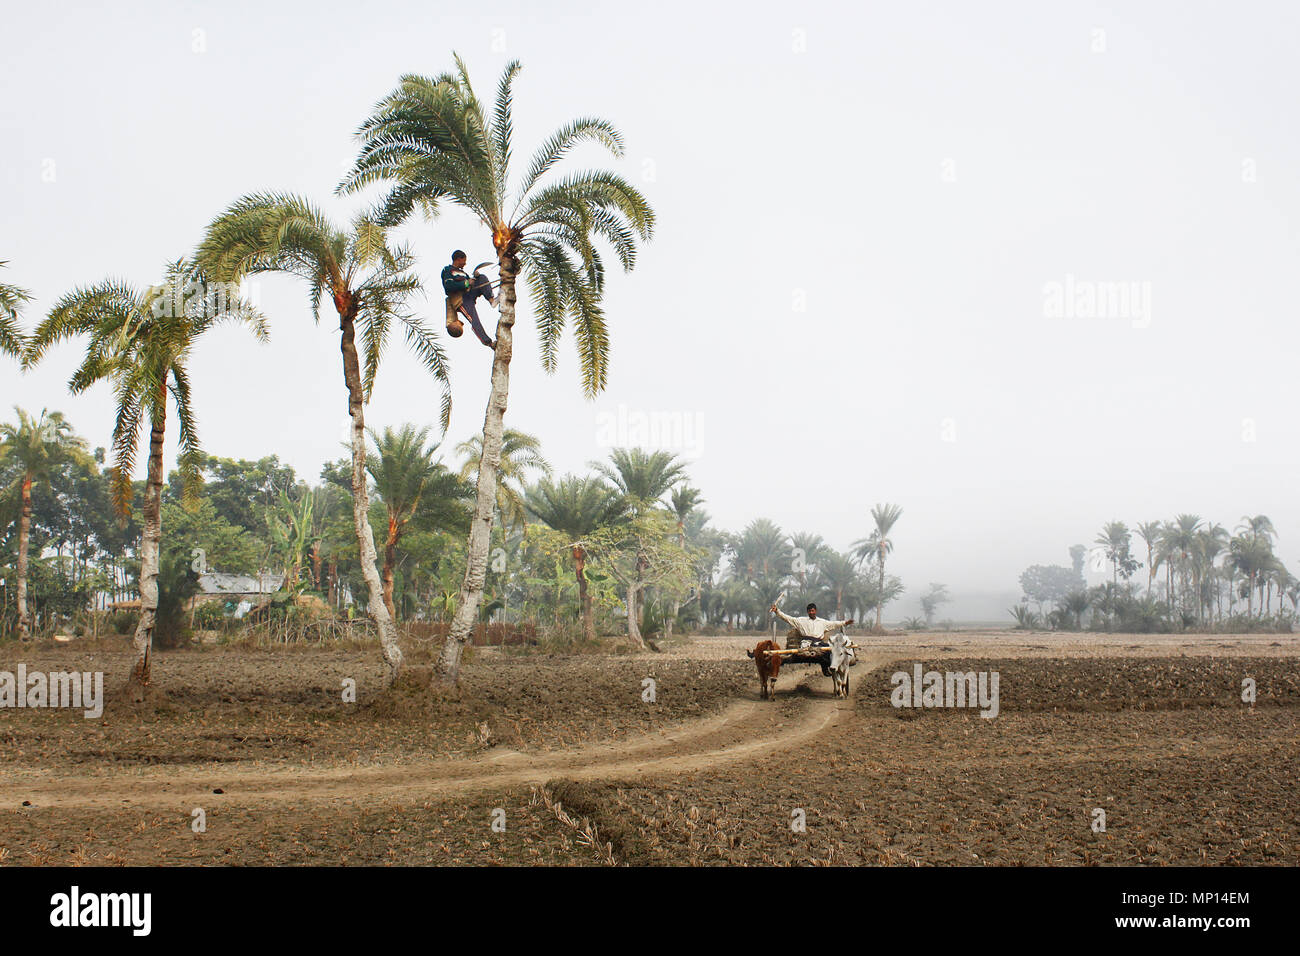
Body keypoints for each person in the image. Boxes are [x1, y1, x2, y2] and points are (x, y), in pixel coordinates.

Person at [441, 252, 496, 348]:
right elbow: (448, 286)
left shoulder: (463, 273)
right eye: (464, 261)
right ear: (458, 259)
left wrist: (475, 277)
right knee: (474, 320)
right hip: (461, 299)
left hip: (470, 294)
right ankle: (488, 342)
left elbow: (470, 282)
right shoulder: (448, 270)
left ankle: (491, 300)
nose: (465, 263)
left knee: (482, 278)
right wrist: (466, 283)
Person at [769, 602, 853, 649]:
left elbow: (834, 624)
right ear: (807, 612)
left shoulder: (822, 622)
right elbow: (787, 618)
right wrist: (777, 611)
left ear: (815, 611)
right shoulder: (801, 621)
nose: (811, 612)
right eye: (809, 611)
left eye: (812, 611)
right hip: (805, 644)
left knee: (831, 652)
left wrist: (845, 623)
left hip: (820, 645)